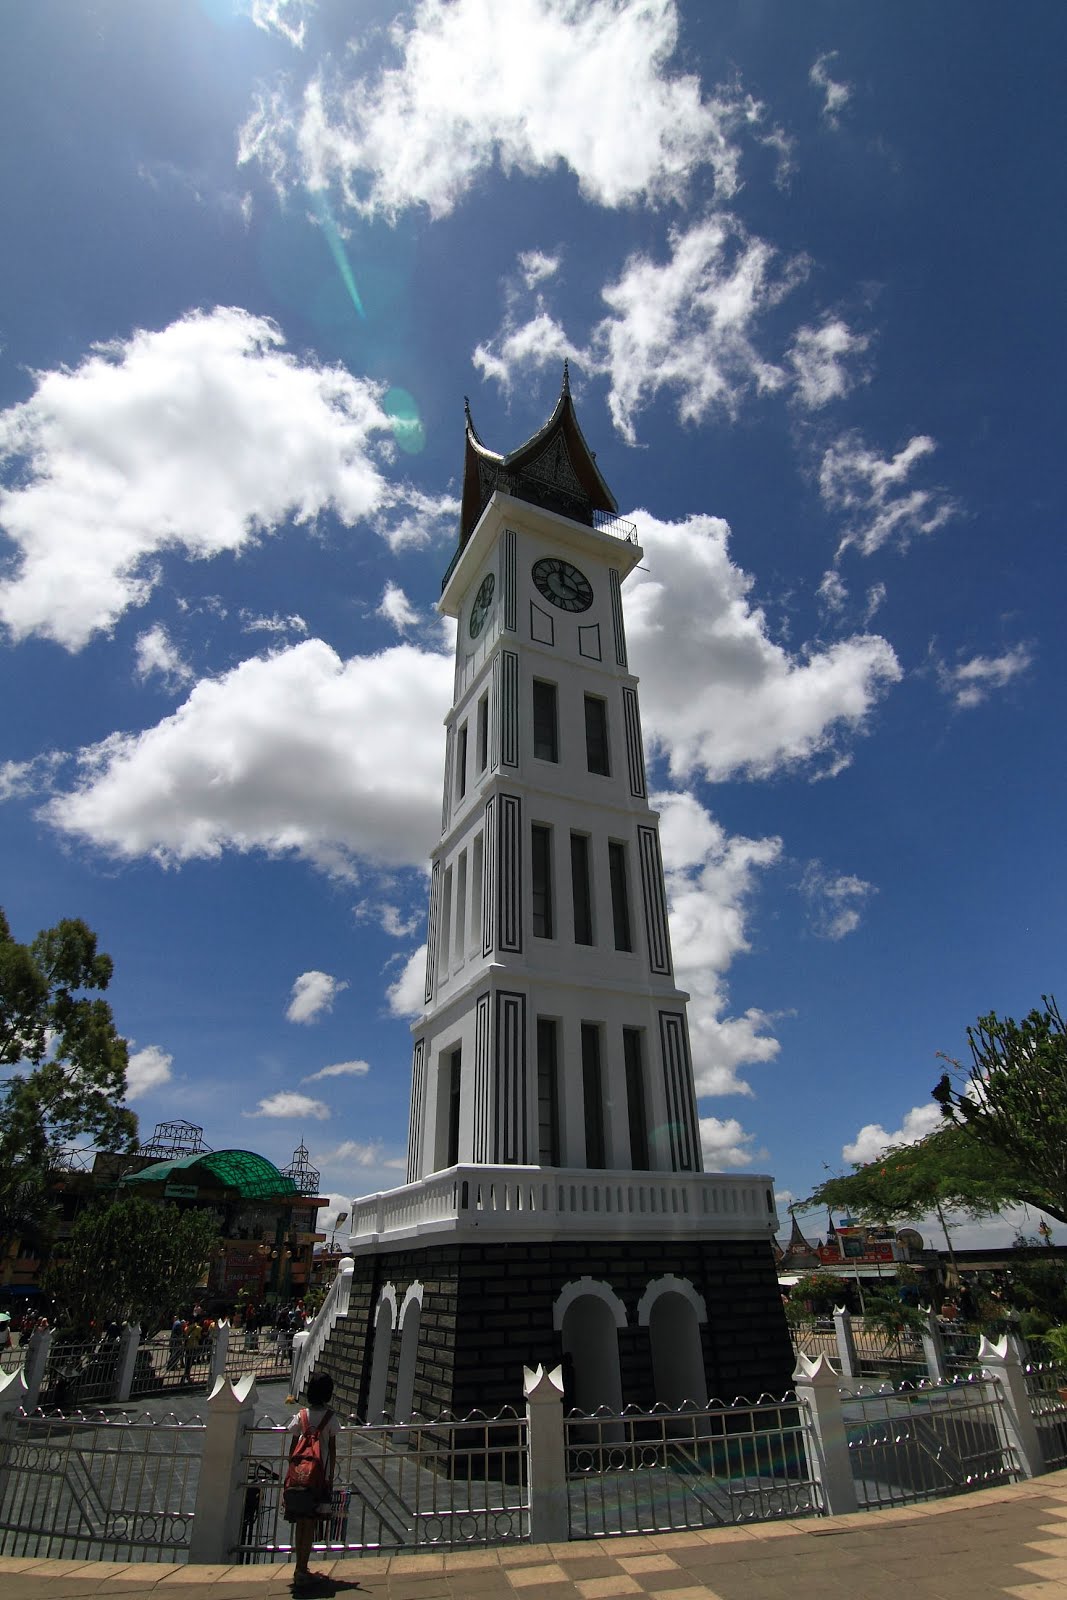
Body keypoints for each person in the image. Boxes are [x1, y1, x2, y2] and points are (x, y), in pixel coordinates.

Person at [286, 1370, 338, 1590]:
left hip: (300, 1476)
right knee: (310, 1522)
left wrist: (291, 1468)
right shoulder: (330, 1418)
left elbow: (293, 1444)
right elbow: (332, 1450)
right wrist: (331, 1475)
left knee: (300, 1524)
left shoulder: (302, 1416)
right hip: (318, 1476)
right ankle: (302, 1567)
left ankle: (300, 1567)